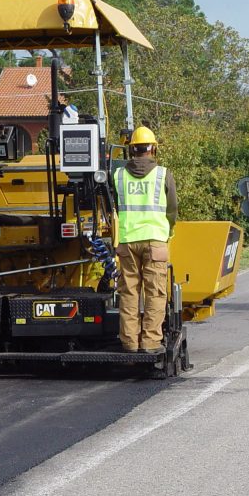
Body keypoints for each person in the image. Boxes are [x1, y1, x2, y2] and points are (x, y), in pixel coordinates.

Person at [113, 126, 178, 355]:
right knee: (155, 293)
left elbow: (115, 205)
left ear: (132, 149)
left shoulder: (118, 175)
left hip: (128, 241)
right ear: (153, 148)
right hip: (155, 241)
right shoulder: (163, 174)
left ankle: (130, 343)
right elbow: (172, 209)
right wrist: (168, 230)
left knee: (129, 293)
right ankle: (150, 343)